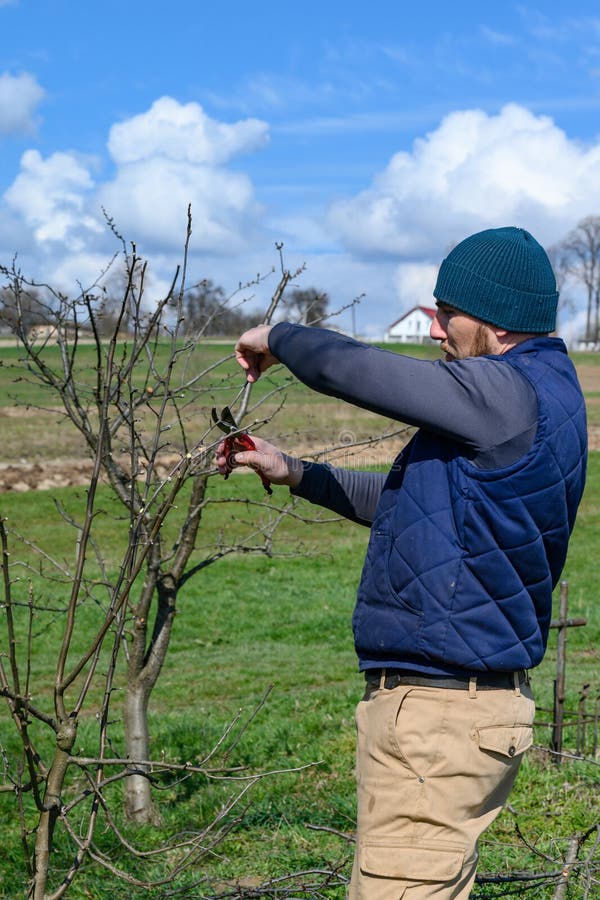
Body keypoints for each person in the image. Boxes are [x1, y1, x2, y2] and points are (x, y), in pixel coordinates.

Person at [217, 226, 588, 899]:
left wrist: (279, 337)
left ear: (493, 318)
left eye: (447, 312)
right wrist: (293, 470)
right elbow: (407, 503)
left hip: (438, 721)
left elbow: (355, 372)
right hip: (453, 716)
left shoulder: (503, 396)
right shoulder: (537, 399)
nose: (438, 328)